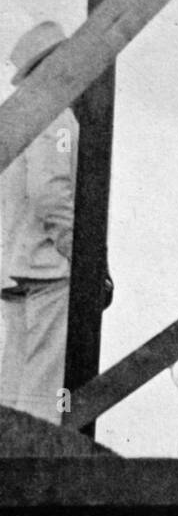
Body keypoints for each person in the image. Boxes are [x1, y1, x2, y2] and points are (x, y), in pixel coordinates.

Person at [0, 22, 79, 423]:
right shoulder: (56, 117)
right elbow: (51, 193)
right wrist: (81, 257)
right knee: (44, 392)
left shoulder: (16, 119)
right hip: (50, 269)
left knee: (12, 388)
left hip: (16, 269)